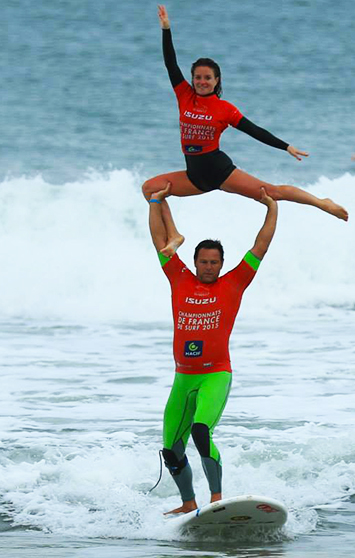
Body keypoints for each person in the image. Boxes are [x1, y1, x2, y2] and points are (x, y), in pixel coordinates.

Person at [141, 5, 348, 222]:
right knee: (150, 190)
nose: (202, 82)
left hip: (220, 171)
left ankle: (322, 203)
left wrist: (286, 146)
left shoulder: (225, 108)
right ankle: (174, 235)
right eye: (198, 77)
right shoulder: (184, 95)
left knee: (273, 192)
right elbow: (170, 64)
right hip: (194, 176)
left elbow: (254, 130)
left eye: (207, 78)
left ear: (216, 80)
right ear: (192, 79)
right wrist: (166, 29)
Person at [146, 182, 277, 515]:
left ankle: (216, 500)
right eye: (203, 261)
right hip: (183, 378)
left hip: (215, 375)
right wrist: (155, 202)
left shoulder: (234, 282)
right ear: (194, 262)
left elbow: (260, 246)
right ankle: (188, 503)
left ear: (221, 264)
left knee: (202, 431)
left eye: (213, 262)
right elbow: (159, 240)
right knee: (171, 449)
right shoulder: (179, 279)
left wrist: (272, 208)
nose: (208, 266)